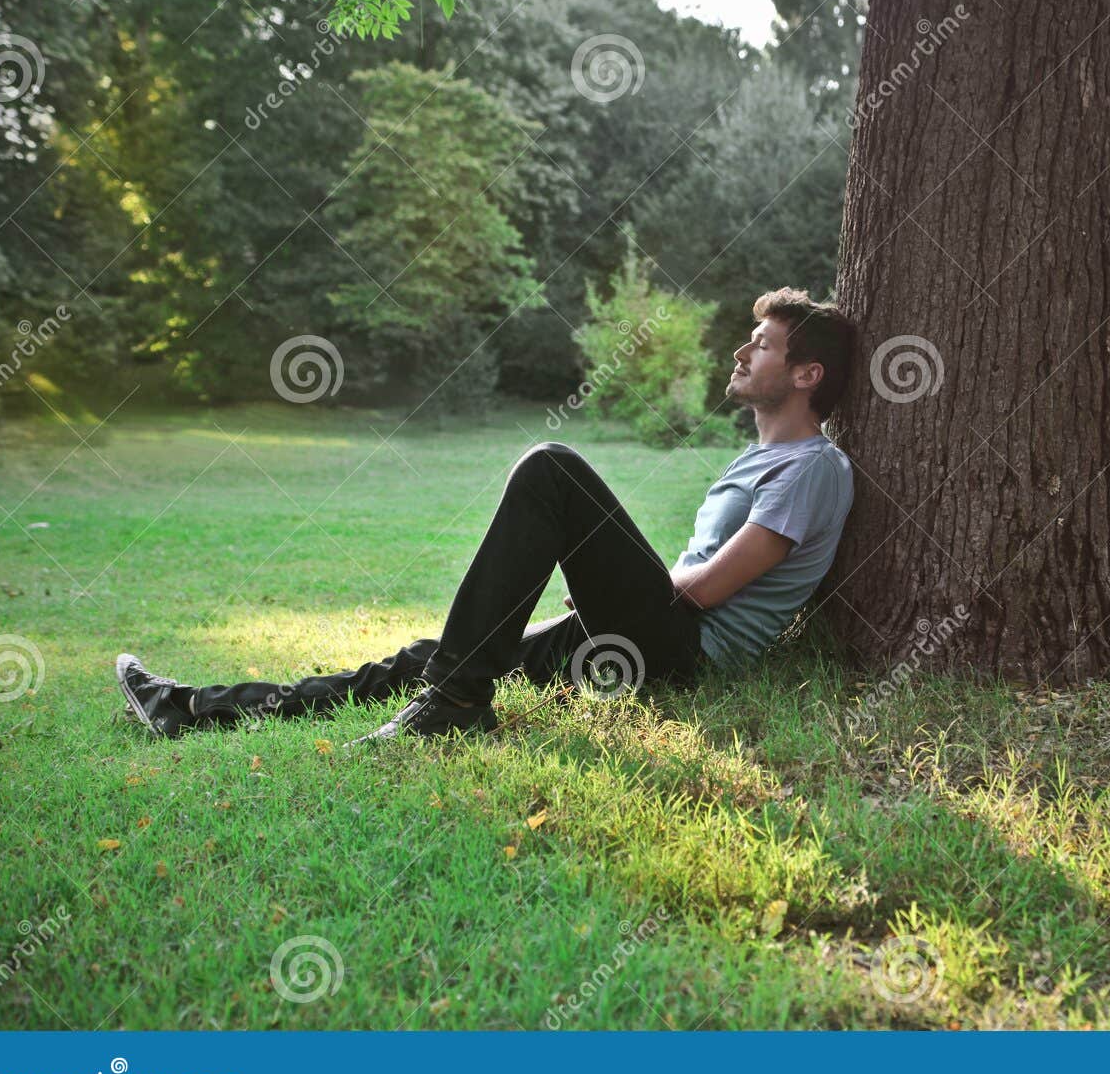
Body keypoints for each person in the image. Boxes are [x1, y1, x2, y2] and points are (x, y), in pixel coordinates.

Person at [116, 288, 857, 745]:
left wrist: (606, 569)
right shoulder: (759, 461)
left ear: (806, 374)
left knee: (551, 469)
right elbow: (687, 579)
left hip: (684, 652)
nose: (739, 349)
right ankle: (189, 707)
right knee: (427, 656)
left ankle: (458, 704)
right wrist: (605, 580)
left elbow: (703, 591)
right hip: (647, 632)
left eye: (760, 345)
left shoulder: (812, 466)